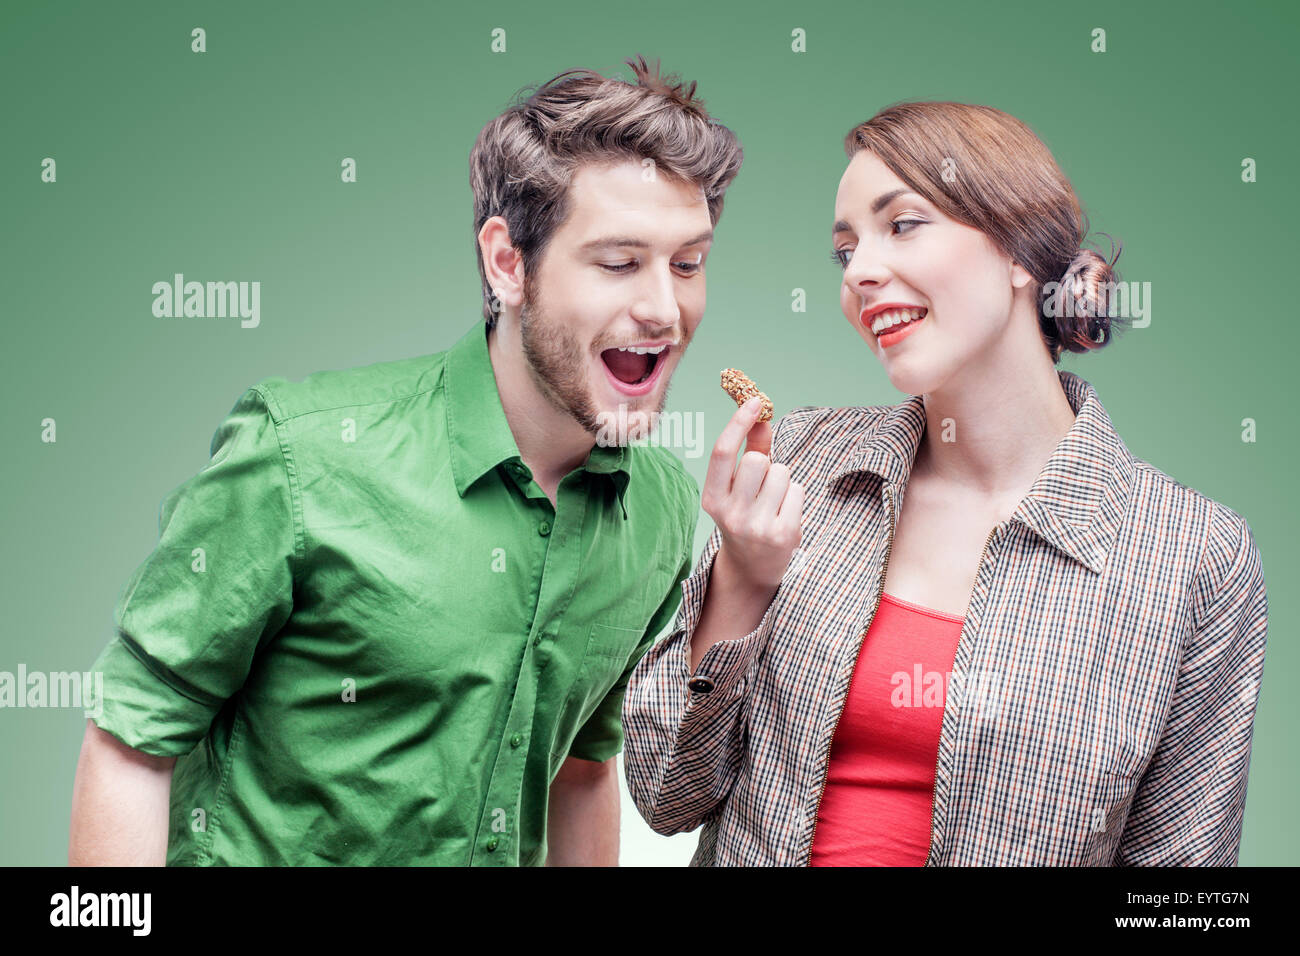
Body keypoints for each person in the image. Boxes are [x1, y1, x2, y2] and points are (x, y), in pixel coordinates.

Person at [68, 55, 743, 866]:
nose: (664, 308)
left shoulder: (665, 509)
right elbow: (132, 737)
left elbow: (580, 770)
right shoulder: (301, 456)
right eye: (618, 263)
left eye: (688, 263)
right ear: (507, 262)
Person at [622, 101, 1269, 866]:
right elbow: (665, 794)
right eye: (844, 251)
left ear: (1020, 251)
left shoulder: (1194, 558)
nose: (860, 271)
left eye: (903, 225)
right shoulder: (807, 464)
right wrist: (741, 578)